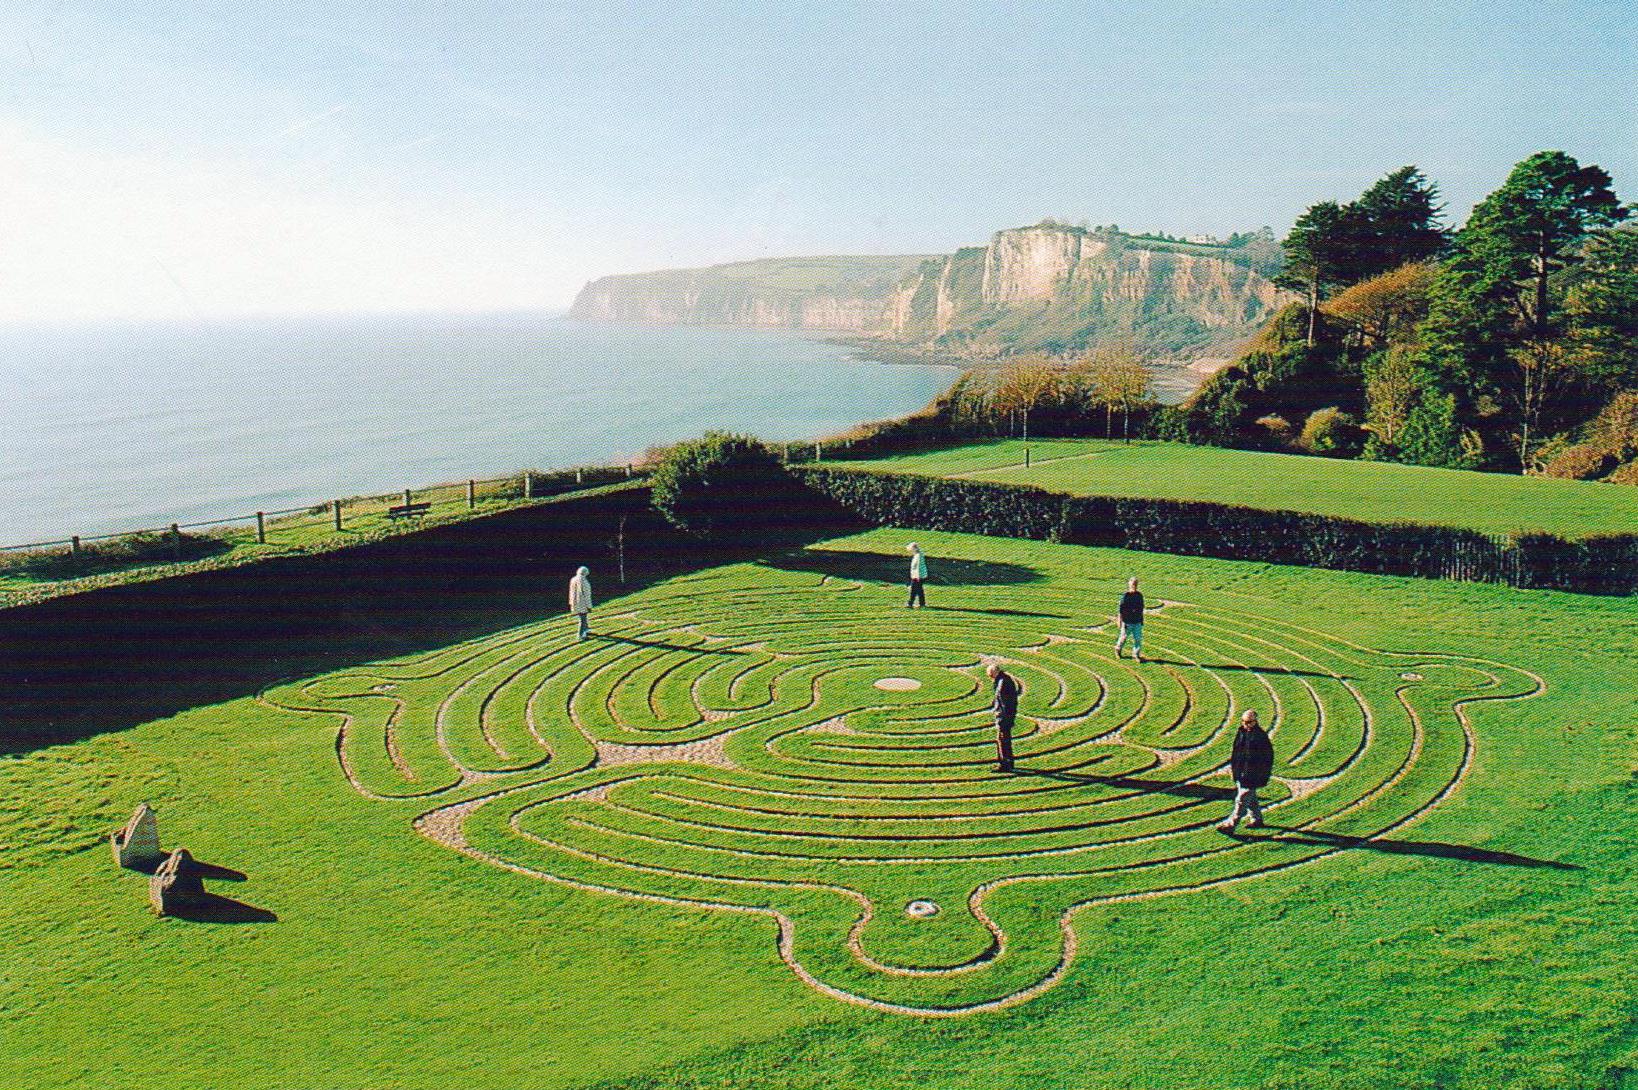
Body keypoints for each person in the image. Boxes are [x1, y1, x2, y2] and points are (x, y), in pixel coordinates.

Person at [1219, 709, 1275, 833]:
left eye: (1249, 722)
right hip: (1240, 772)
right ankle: (1257, 819)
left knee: (1241, 800)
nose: (1246, 724)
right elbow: (1236, 752)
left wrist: (1259, 776)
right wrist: (1235, 770)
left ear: (1255, 721)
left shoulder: (1260, 737)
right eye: (1244, 722)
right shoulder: (1241, 732)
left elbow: (1267, 758)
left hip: (1252, 775)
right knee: (1251, 799)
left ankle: (1230, 825)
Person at [987, 661, 1019, 772]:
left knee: (1003, 740)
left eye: (990, 675)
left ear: (994, 672)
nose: (990, 677)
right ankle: (1008, 762)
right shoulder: (1005, 679)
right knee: (1004, 739)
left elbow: (1005, 702)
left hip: (1004, 717)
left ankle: (1005, 764)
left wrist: (1004, 717)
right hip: (1005, 716)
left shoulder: (1003, 682)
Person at [1114, 576, 1145, 662]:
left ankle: (1136, 655)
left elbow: (1141, 608)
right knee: (1123, 638)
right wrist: (1119, 620)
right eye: (1133, 584)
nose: (1134, 585)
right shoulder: (1126, 596)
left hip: (1137, 621)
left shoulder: (1139, 595)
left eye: (1135, 584)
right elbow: (1121, 609)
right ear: (1129, 585)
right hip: (1127, 622)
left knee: (1138, 639)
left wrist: (1141, 619)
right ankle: (1118, 650)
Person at [567, 565, 593, 641]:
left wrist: (571, 602)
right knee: (583, 619)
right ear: (585, 573)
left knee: (583, 617)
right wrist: (589, 606)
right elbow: (587, 595)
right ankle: (581, 635)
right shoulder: (584, 581)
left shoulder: (573, 579)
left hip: (574, 602)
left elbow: (571, 592)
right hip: (582, 603)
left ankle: (587, 629)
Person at [906, 543, 928, 608]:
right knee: (918, 590)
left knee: (914, 589)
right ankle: (922, 604)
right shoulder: (916, 555)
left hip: (918, 576)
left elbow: (919, 567)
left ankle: (910, 603)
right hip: (916, 576)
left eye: (911, 550)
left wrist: (918, 576)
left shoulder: (919, 555)